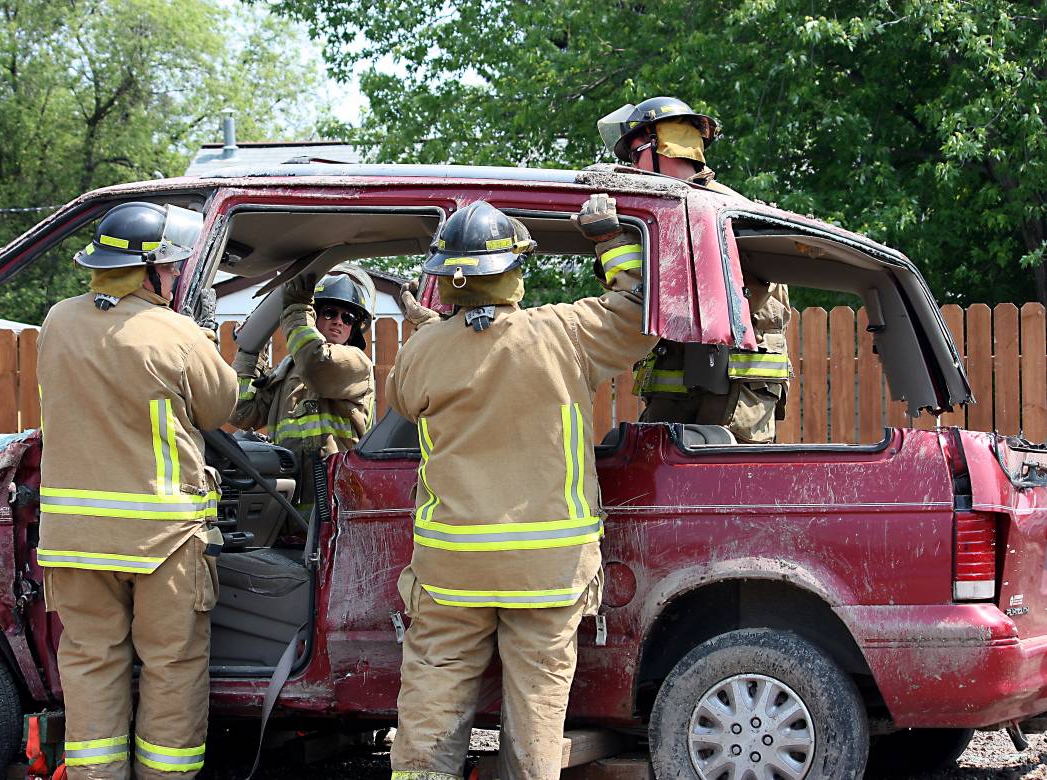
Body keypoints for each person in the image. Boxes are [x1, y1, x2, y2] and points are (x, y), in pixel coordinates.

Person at [386, 198, 658, 780]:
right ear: (514, 269)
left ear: (447, 278)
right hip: (548, 568)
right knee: (537, 704)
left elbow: (408, 397)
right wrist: (610, 240)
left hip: (453, 566)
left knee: (433, 690)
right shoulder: (565, 333)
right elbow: (641, 311)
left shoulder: (420, 351)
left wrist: (432, 330)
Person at [36, 201, 238, 778]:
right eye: (170, 268)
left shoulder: (56, 323)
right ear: (146, 272)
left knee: (90, 663)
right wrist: (201, 335)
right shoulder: (176, 333)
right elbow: (219, 407)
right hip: (162, 540)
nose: (174, 277)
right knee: (171, 664)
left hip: (74, 542)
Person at [597, 96, 792, 442]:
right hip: (683, 392)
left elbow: (657, 296)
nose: (632, 166)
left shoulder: (722, 213)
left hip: (734, 400)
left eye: (634, 153)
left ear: (661, 146)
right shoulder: (668, 211)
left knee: (716, 475)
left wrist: (610, 240)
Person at [228, 264, 376, 514]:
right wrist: (249, 355)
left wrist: (296, 307)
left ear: (354, 329)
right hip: (287, 508)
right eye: (329, 313)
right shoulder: (287, 370)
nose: (338, 321)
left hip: (333, 509)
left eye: (348, 318)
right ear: (314, 316)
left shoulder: (356, 364)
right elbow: (242, 414)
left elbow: (316, 363)